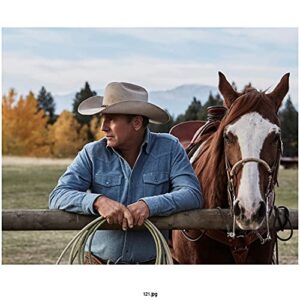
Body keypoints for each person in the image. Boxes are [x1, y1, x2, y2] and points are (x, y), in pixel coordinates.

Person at [49, 81, 203, 264]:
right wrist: (98, 201)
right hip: (98, 264)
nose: (103, 127)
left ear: (136, 122)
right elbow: (58, 195)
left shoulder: (170, 148)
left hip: (151, 265)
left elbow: (192, 194)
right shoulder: (92, 153)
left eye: (111, 119)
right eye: (103, 118)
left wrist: (148, 205)